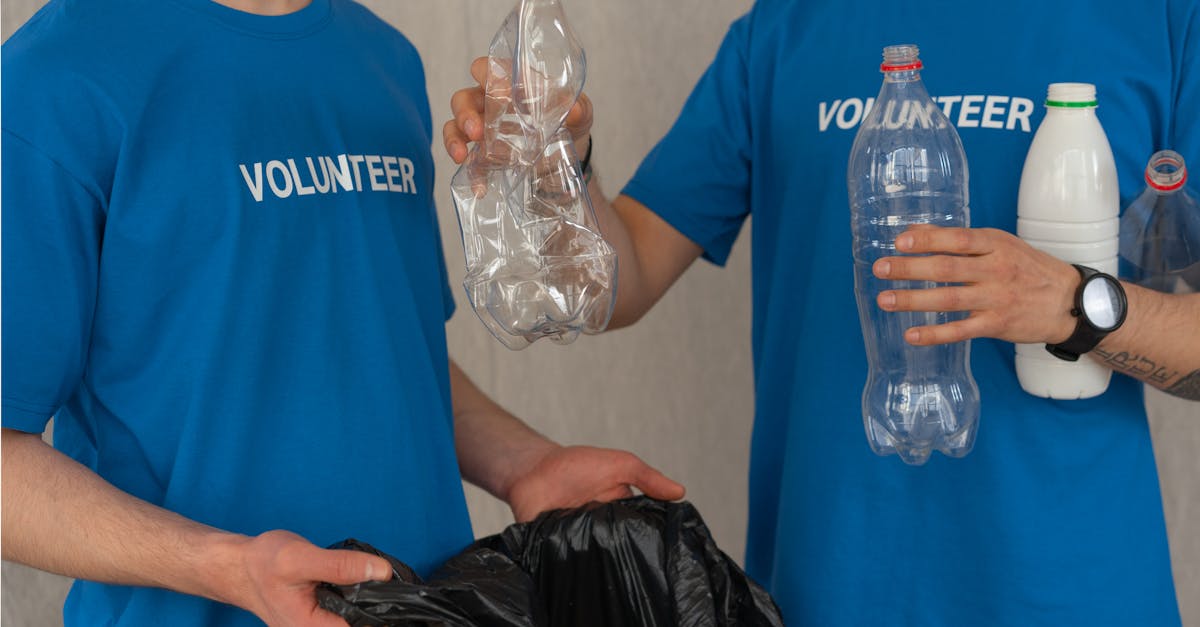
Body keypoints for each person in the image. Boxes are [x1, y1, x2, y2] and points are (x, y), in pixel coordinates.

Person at [444, 0, 1200, 624]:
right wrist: (556, 168)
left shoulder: (1158, 21)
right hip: (829, 592)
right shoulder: (782, 32)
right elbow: (622, 278)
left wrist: (1075, 305)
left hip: (1077, 595)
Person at [0, 1, 686, 625]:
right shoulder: (56, 75)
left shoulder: (383, 59)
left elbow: (385, 350)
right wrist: (228, 567)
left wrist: (527, 464)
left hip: (432, 606)